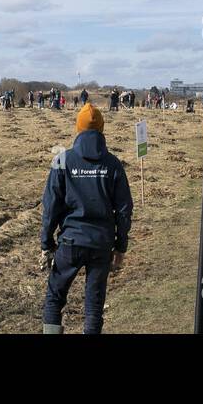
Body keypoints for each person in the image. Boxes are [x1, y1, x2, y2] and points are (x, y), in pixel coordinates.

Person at [40, 104, 133, 335]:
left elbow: (51, 206)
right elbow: (124, 209)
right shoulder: (113, 164)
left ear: (78, 129)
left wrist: (47, 243)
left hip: (70, 243)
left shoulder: (62, 160)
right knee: (94, 306)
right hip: (102, 245)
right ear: (102, 129)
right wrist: (120, 246)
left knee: (54, 298)